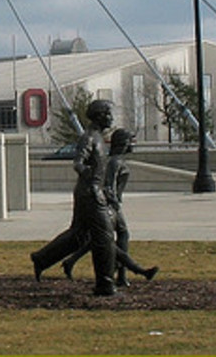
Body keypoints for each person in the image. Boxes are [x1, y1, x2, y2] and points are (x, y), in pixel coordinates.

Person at [29, 99, 119, 295]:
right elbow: (78, 161)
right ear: (99, 116)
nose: (112, 118)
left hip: (91, 192)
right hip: (91, 194)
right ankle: (105, 285)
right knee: (105, 238)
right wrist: (86, 172)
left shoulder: (98, 138)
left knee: (79, 235)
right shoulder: (89, 138)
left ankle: (41, 259)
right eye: (109, 114)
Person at [61, 128, 159, 286]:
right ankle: (124, 274)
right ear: (123, 143)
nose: (132, 144)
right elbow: (108, 185)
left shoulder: (115, 161)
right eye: (130, 141)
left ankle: (72, 261)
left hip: (112, 203)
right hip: (110, 205)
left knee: (100, 239)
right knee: (120, 235)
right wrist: (113, 204)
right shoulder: (115, 162)